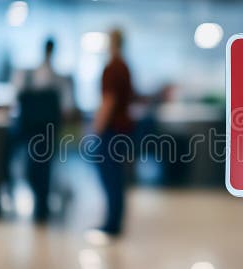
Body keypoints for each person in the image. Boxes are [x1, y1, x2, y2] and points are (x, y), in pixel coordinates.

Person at [7, 38, 74, 222]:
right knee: (32, 166)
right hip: (31, 128)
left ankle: (42, 206)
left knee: (43, 167)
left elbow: (66, 108)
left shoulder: (57, 77)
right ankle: (39, 201)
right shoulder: (30, 74)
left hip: (47, 130)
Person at [90, 28, 135, 238]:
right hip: (124, 130)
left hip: (112, 131)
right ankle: (114, 221)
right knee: (117, 177)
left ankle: (112, 224)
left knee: (110, 176)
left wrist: (96, 128)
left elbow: (109, 101)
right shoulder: (125, 67)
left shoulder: (112, 68)